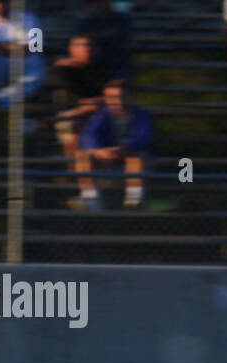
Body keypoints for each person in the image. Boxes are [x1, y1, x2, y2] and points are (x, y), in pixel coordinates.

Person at [71, 80, 153, 211]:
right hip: (107, 158)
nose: (117, 100)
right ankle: (91, 200)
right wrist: (98, 151)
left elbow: (142, 138)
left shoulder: (142, 115)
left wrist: (123, 148)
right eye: (111, 97)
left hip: (131, 157)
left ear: (130, 97)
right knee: (83, 155)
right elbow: (89, 135)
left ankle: (134, 201)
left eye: (121, 96)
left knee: (136, 157)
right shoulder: (102, 115)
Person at [52, 36, 106, 172]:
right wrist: (91, 104)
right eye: (83, 45)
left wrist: (91, 105)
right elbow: (71, 98)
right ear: (72, 49)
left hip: (94, 113)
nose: (88, 49)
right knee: (74, 125)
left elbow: (109, 97)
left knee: (79, 122)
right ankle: (79, 177)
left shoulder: (100, 69)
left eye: (90, 45)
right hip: (74, 114)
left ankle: (83, 179)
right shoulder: (63, 69)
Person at [76, 0, 133, 80]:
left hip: (116, 63)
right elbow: (81, 37)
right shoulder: (87, 20)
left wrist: (96, 35)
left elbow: (123, 35)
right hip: (92, 64)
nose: (102, 3)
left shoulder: (122, 18)